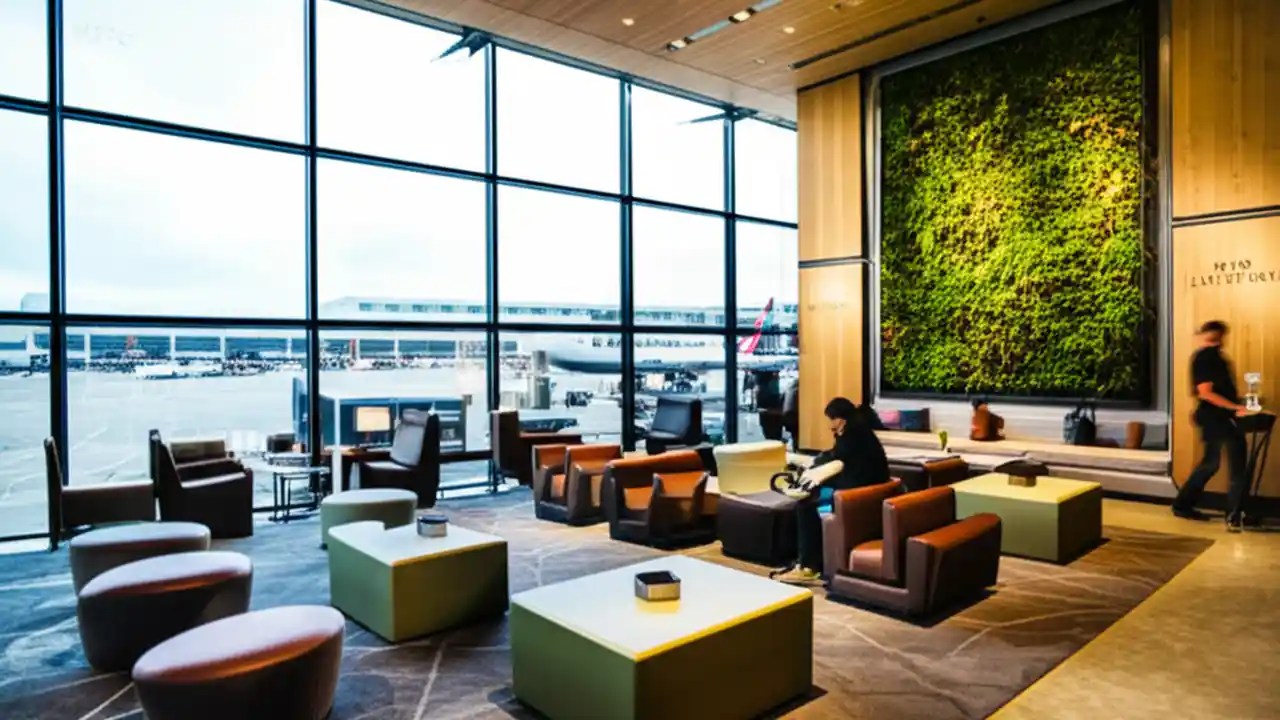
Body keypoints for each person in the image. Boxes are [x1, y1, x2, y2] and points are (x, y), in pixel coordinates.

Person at [773, 397, 891, 585]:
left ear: (841, 419)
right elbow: (836, 456)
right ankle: (805, 561)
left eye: (832, 419)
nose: (830, 425)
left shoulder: (851, 435)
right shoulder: (861, 432)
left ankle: (808, 566)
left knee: (807, 505)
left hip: (855, 494)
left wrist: (814, 469)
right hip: (867, 493)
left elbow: (838, 459)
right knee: (812, 500)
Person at [1172, 320, 1252, 532]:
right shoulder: (1207, 358)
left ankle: (1188, 504)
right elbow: (1205, 392)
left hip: (1217, 417)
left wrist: (1237, 404)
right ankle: (1234, 512)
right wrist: (1234, 407)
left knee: (1214, 462)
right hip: (1216, 418)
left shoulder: (1214, 358)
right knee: (1225, 462)